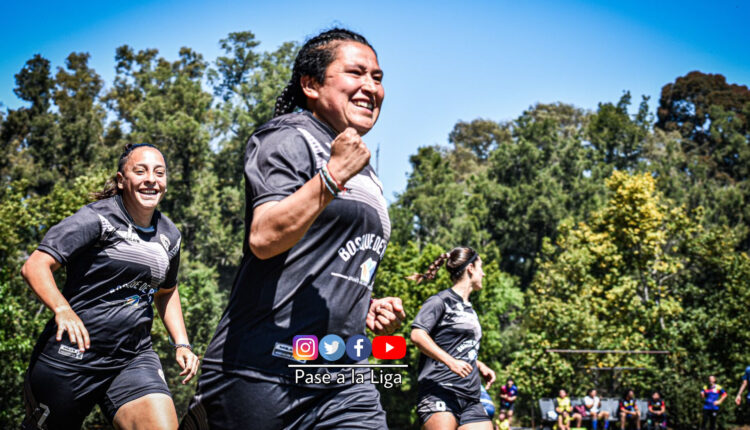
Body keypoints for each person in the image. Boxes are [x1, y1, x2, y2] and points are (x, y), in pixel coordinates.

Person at [180, 28, 404, 429]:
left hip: (343, 376)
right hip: (262, 371)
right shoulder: (287, 137)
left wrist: (362, 303)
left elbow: (324, 260)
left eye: (378, 77)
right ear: (310, 84)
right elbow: (264, 238)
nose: (371, 87)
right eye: (356, 73)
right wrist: (332, 177)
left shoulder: (364, 170)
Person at [20, 143, 199, 430]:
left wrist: (181, 343)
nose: (151, 179)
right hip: (72, 358)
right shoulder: (96, 219)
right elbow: (35, 266)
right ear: (121, 180)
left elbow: (166, 291)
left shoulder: (169, 235)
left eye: (159, 172)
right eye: (140, 171)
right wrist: (62, 309)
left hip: (132, 357)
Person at [410, 248, 497, 429]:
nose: (484, 273)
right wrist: (451, 362)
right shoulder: (440, 301)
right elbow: (417, 335)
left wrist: (479, 365)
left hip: (471, 397)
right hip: (440, 390)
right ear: (471, 268)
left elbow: (457, 347)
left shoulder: (470, 309)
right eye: (481, 267)